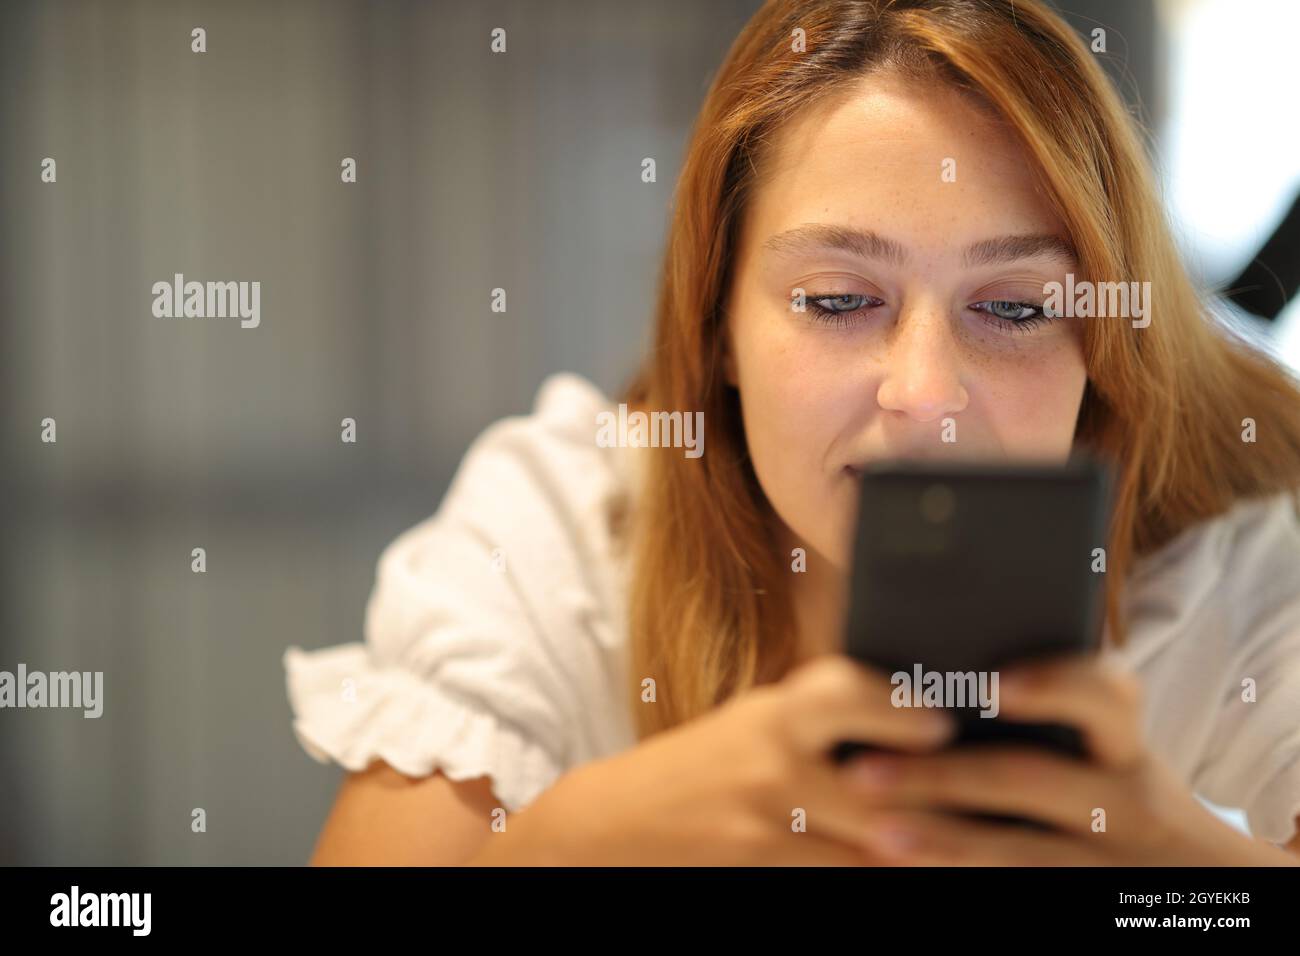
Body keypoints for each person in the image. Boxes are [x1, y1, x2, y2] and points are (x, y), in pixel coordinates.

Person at [284, 0, 1300, 865]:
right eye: (835, 299)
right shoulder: (565, 527)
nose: (925, 394)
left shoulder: (1229, 552)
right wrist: (592, 831)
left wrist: (1174, 865)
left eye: (1017, 308)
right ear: (717, 324)